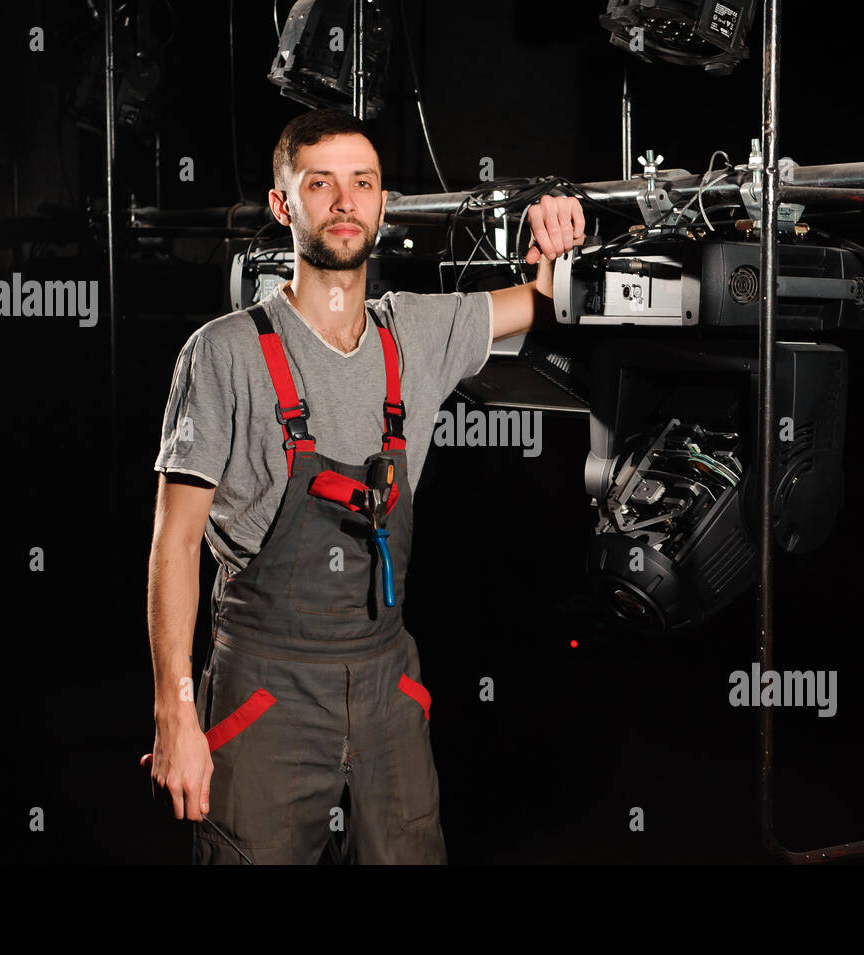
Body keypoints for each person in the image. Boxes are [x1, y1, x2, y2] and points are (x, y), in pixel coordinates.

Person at [145, 107, 585, 864]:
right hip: (266, 685)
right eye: (321, 185)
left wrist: (557, 232)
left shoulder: (414, 331)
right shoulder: (223, 354)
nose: (345, 202)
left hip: (386, 678)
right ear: (285, 206)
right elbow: (175, 543)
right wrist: (176, 714)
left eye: (363, 183)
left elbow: (543, 300)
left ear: (382, 204)